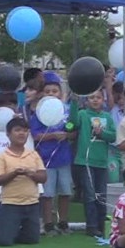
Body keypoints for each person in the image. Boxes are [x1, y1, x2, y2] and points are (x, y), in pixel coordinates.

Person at [0, 117, 47, 246]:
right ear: (8, 134)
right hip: (11, 203)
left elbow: (43, 177)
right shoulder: (2, 156)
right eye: (17, 130)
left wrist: (30, 174)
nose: (21, 133)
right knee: (4, 242)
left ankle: (9, 230)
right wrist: (14, 173)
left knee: (32, 240)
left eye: (25, 130)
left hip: (32, 203)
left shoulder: (33, 154)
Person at [30, 72, 75, 236]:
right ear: (42, 94)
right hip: (46, 160)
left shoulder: (67, 111)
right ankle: (48, 223)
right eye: (47, 91)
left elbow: (73, 130)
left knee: (65, 192)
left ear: (61, 94)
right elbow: (35, 135)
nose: (51, 94)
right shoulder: (38, 113)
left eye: (54, 91)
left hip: (63, 159)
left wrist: (67, 135)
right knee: (47, 194)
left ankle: (63, 222)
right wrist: (52, 136)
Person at [72, 90, 116, 238]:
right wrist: (73, 103)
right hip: (86, 161)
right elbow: (72, 124)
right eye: (91, 97)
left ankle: (101, 224)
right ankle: (91, 226)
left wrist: (101, 133)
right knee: (90, 194)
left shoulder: (107, 117)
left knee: (101, 194)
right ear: (87, 100)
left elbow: (113, 136)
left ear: (103, 99)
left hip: (102, 162)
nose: (95, 100)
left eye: (98, 97)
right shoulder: (83, 115)